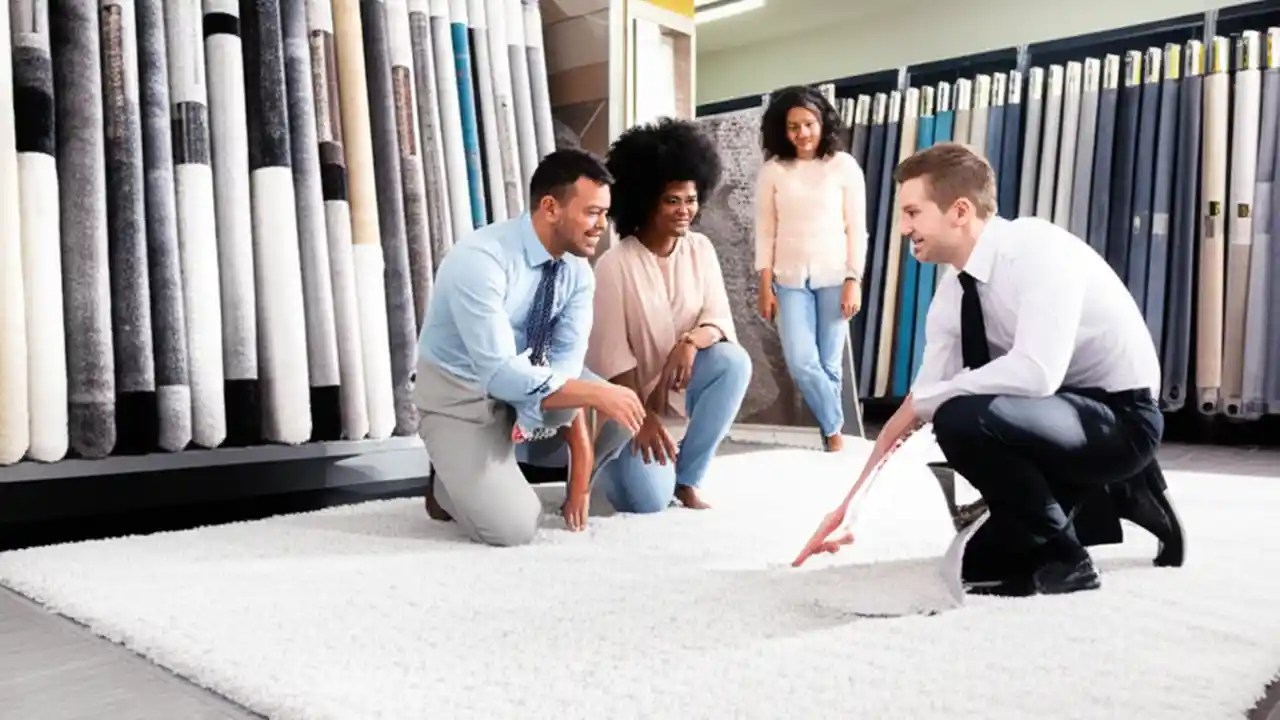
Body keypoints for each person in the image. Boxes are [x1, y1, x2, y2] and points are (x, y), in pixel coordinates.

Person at [793, 143, 1185, 597]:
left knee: (960, 416)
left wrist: (939, 397)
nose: (903, 228)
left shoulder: (1037, 249)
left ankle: (1067, 555)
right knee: (979, 562)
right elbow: (915, 408)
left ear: (959, 211)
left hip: (1123, 420)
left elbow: (1038, 372)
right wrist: (848, 508)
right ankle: (1115, 493)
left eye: (913, 213)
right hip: (1055, 418)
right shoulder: (952, 296)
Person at [414, 149, 646, 547]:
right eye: (592, 213)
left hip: (529, 376)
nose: (601, 227)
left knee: (620, 407)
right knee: (514, 528)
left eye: (604, 214)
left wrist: (581, 477)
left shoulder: (577, 272)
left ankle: (485, 472)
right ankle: (447, 486)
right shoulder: (479, 260)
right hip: (463, 393)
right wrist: (597, 392)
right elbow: (500, 374)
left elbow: (566, 369)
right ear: (551, 207)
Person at [586, 117, 752, 513]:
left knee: (733, 362)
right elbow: (611, 360)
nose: (685, 211)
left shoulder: (701, 249)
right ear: (645, 201)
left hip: (680, 385)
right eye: (672, 200)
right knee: (645, 501)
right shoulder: (614, 265)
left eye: (691, 199)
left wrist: (690, 342)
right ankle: (613, 465)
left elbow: (717, 319)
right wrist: (640, 419)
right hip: (627, 409)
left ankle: (687, 477)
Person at [754, 85, 868, 452]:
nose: (801, 134)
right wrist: (764, 283)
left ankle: (829, 441)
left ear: (822, 122)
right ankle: (835, 430)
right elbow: (765, 230)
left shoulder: (843, 166)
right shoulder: (773, 171)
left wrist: (854, 278)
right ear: (781, 130)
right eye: (792, 127)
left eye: (808, 123)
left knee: (830, 365)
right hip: (788, 281)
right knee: (803, 362)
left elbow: (856, 227)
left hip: (835, 276)